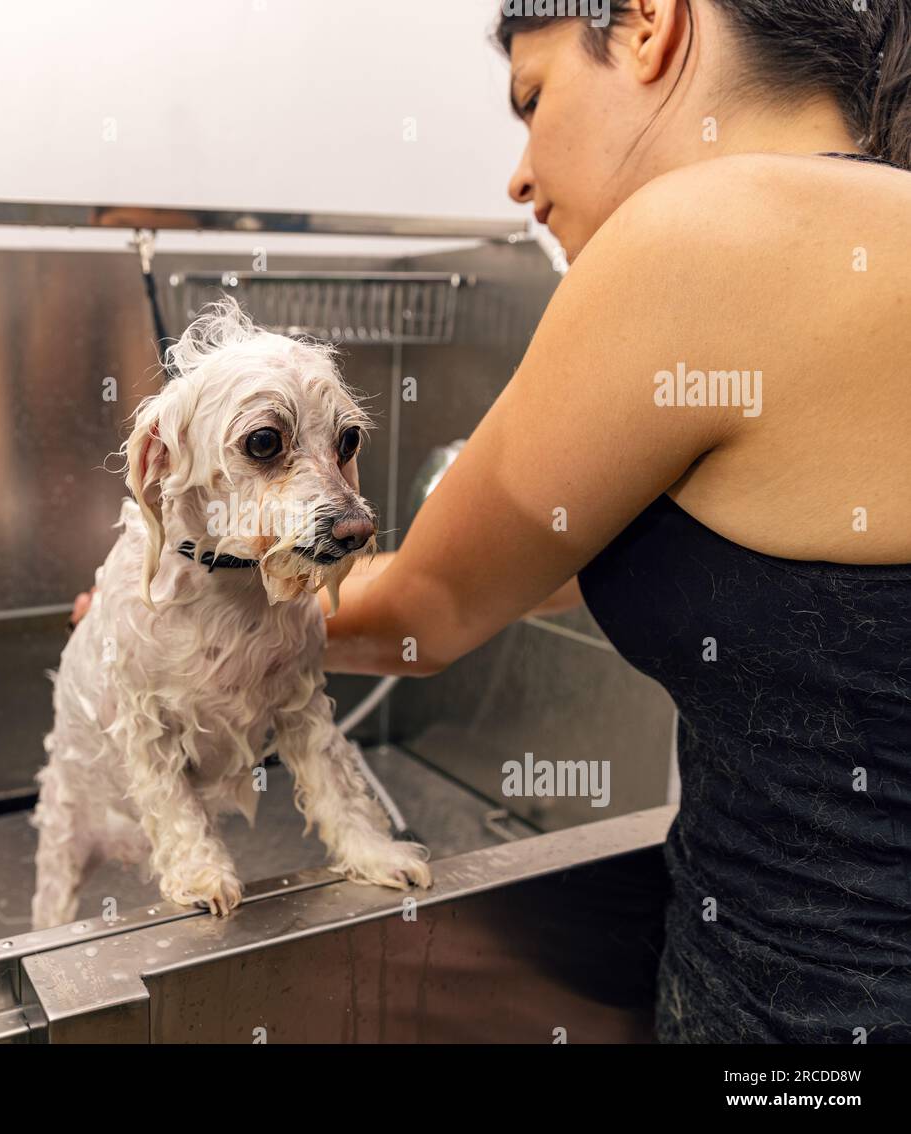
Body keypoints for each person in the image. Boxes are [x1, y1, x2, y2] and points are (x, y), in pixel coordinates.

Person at [71, 0, 911, 1043]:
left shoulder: (699, 234)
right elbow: (565, 562)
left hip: (799, 1014)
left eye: (532, 98)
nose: (516, 174)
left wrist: (161, 614)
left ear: (648, 24)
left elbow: (430, 601)